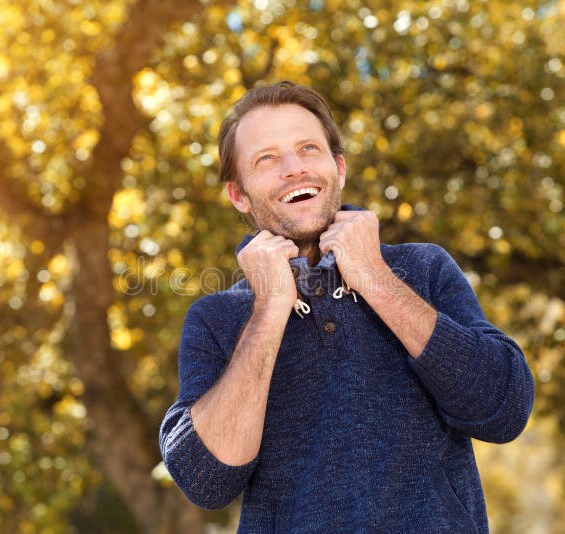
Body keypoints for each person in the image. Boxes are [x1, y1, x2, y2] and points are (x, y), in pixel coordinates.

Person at [159, 80, 534, 533]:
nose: (293, 169)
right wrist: (271, 307)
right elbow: (206, 482)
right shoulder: (216, 319)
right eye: (267, 159)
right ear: (239, 195)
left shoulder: (424, 269)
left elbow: (505, 408)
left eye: (308, 148)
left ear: (338, 168)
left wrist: (376, 280)